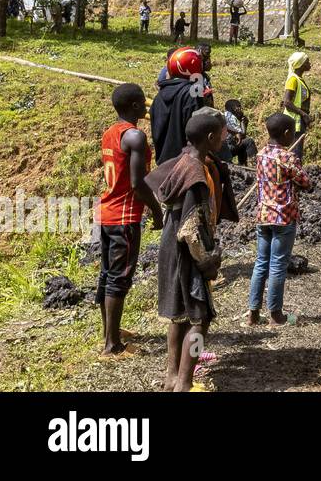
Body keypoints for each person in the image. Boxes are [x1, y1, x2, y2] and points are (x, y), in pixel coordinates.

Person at [144, 108, 237, 392]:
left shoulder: (182, 161)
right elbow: (191, 230)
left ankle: (172, 376)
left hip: (170, 248)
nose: (225, 138)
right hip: (187, 252)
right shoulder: (197, 175)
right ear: (210, 138)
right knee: (200, 319)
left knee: (180, 315)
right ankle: (185, 383)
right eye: (222, 134)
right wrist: (209, 260)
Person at [97, 84, 162, 356]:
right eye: (142, 104)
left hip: (106, 213)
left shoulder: (110, 133)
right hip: (124, 216)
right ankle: (113, 346)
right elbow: (137, 183)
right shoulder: (135, 136)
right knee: (119, 278)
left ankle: (110, 331)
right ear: (136, 106)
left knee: (108, 274)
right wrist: (157, 211)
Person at [247, 113, 313, 327]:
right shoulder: (287, 158)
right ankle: (276, 314)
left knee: (261, 263)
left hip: (263, 215)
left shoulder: (261, 154)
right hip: (284, 218)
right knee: (277, 265)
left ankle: (253, 314)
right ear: (287, 134)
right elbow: (305, 182)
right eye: (292, 132)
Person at [152, 47, 209, 166]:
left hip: (163, 163)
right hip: (184, 165)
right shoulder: (191, 93)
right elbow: (195, 132)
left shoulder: (160, 95)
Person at [282, 52, 312, 161]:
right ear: (301, 64)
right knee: (295, 153)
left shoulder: (299, 80)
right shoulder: (293, 79)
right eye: (307, 61)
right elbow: (287, 102)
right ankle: (293, 175)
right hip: (294, 121)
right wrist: (304, 114)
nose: (310, 63)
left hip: (299, 120)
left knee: (297, 152)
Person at [220, 99, 255, 168]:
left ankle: (242, 165)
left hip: (225, 148)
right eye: (238, 106)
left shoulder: (225, 115)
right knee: (249, 141)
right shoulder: (231, 117)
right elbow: (242, 134)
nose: (240, 109)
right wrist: (243, 122)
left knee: (242, 143)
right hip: (227, 149)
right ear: (232, 108)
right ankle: (255, 164)